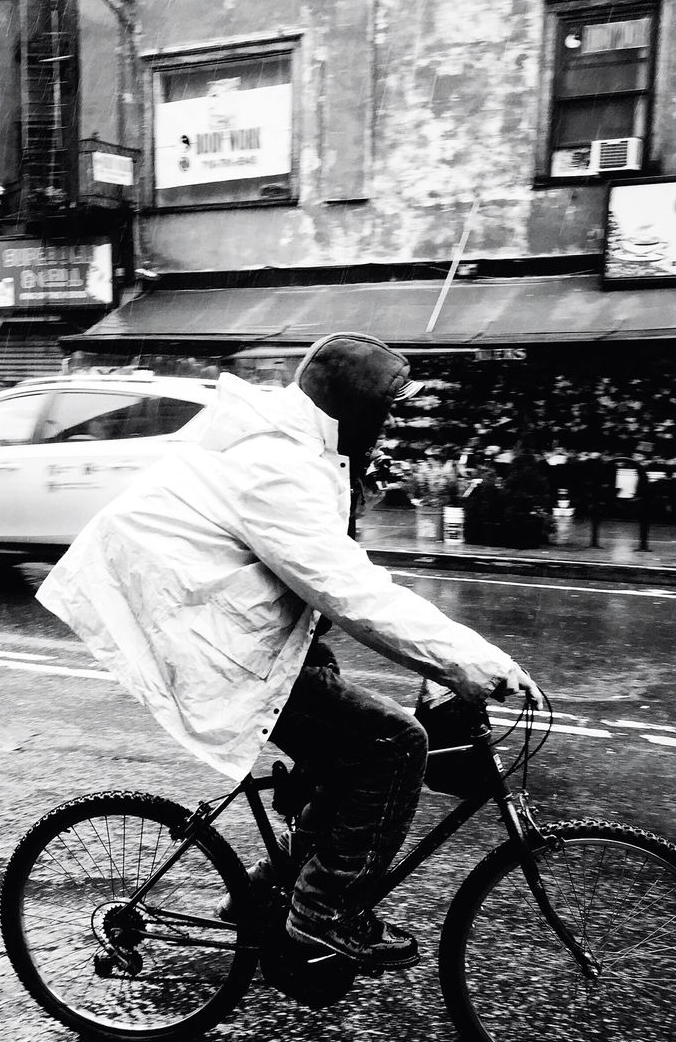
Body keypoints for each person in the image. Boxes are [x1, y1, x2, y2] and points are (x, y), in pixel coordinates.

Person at [37, 333, 541, 971]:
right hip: (208, 635)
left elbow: (333, 569)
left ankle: (261, 892)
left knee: (346, 750)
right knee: (392, 743)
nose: (388, 428)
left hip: (227, 620)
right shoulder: (278, 464)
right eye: (383, 413)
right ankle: (323, 913)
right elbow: (348, 590)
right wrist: (470, 662)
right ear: (348, 408)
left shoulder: (312, 452)